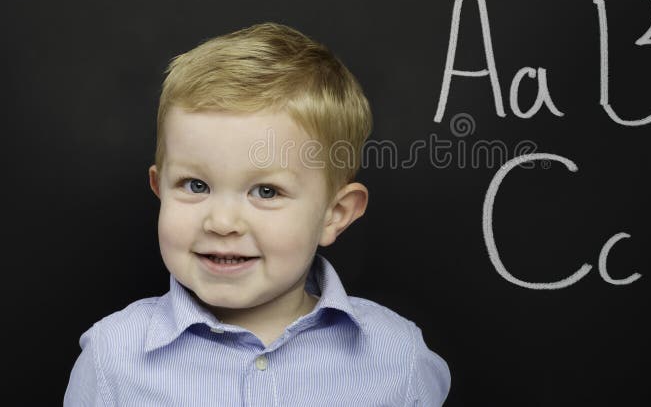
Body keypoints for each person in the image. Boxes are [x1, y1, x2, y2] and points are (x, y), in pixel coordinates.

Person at [64, 22, 450, 406]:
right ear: (159, 189)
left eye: (266, 191)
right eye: (195, 185)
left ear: (334, 214)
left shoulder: (398, 359)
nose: (222, 223)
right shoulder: (111, 359)